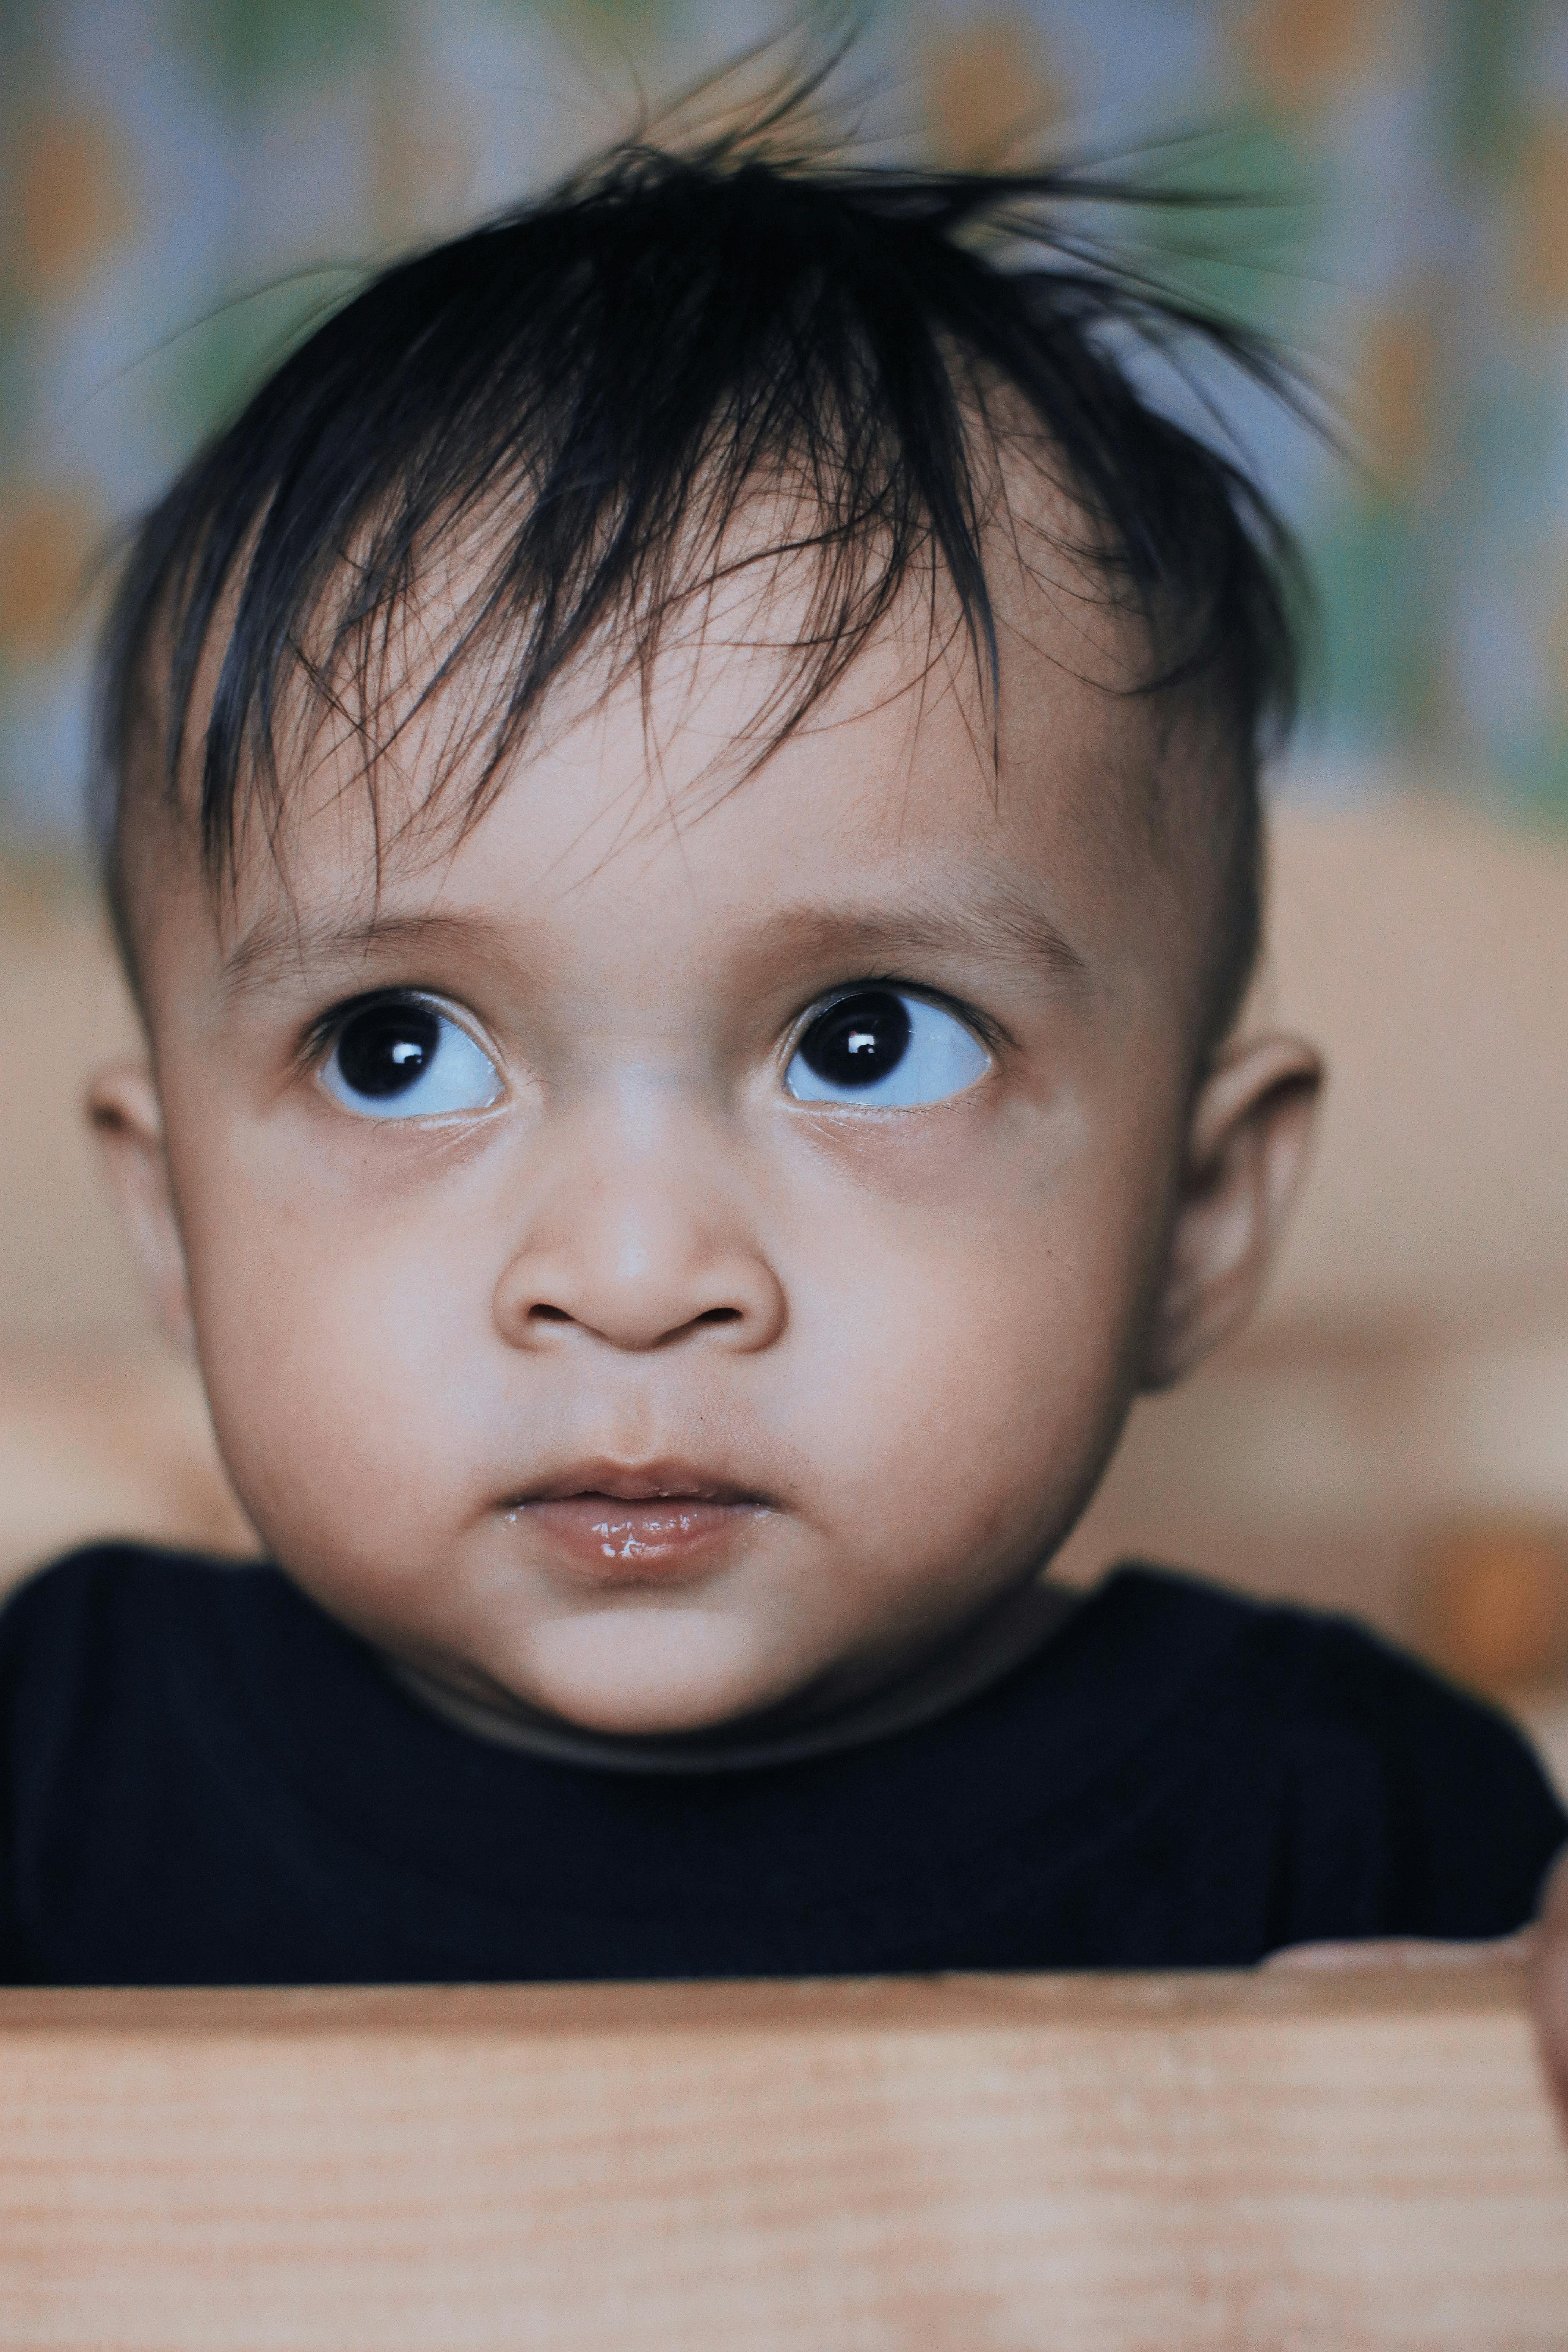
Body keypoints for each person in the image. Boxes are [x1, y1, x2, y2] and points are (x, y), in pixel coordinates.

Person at [1, 115, 1563, 1993]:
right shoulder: (55, 1759)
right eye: (396, 1049)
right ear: (172, 1214)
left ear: (1201, 1214)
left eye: (868, 1041)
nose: (637, 1278)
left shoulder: (1359, 1821)